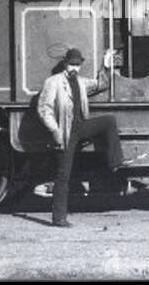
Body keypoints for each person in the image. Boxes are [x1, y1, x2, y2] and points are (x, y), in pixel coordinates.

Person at [37, 47, 121, 227]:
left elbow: (101, 84)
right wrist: (55, 131)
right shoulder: (53, 82)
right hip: (65, 133)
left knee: (109, 121)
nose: (74, 68)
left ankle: (115, 162)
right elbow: (44, 109)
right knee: (63, 176)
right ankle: (58, 218)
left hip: (80, 127)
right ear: (65, 64)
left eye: (77, 65)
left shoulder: (81, 82)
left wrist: (105, 65)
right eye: (72, 64)